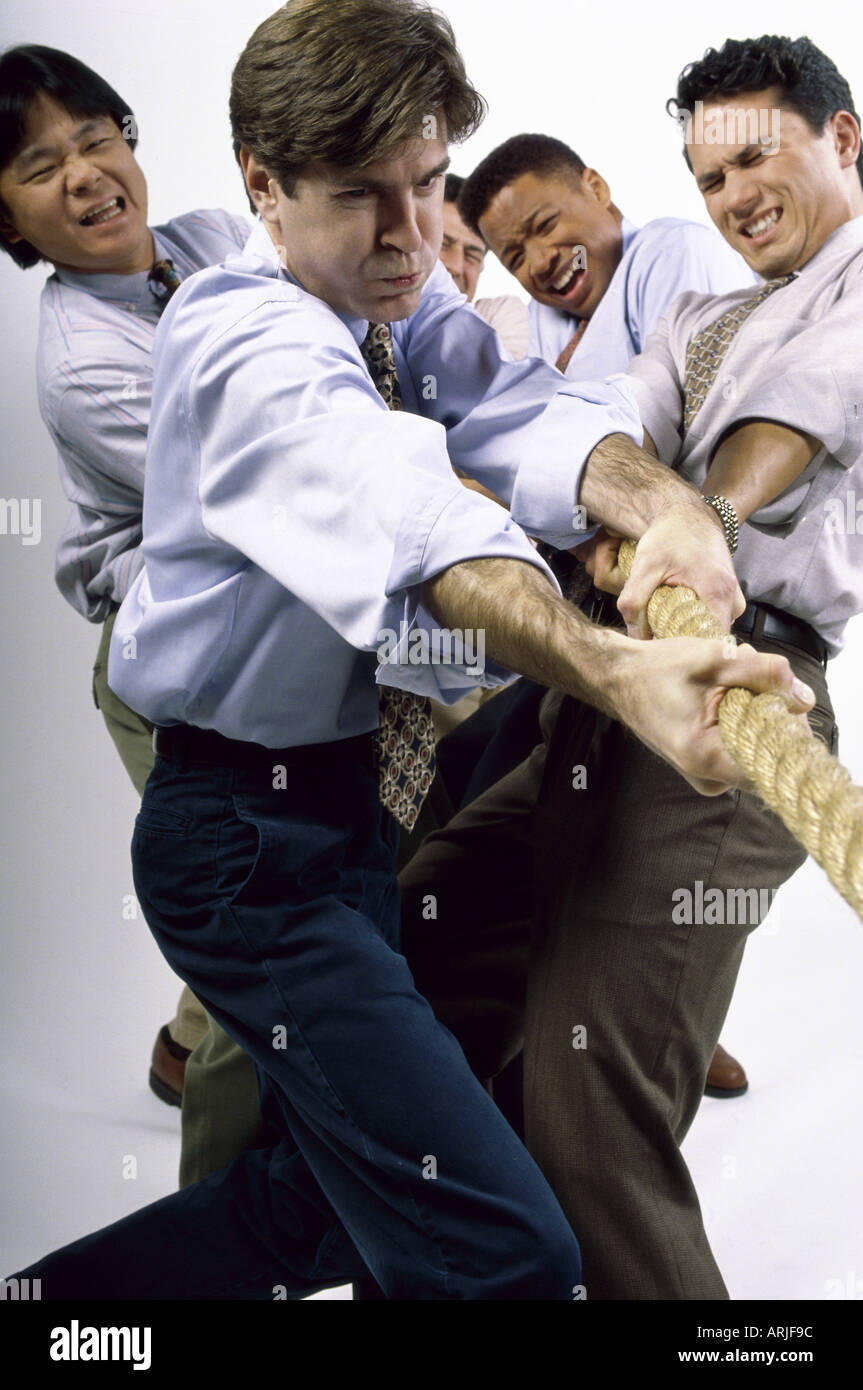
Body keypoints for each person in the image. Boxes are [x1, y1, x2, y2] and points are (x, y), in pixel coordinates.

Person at [6, 0, 810, 1301]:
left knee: (310, 1207)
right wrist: (612, 670)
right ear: (262, 185)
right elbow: (419, 512)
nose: (406, 235)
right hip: (238, 844)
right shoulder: (237, 339)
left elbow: (507, 406)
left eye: (425, 183)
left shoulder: (385, 288)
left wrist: (656, 502)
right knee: (509, 1247)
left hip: (342, 817)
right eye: (357, 195)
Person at [397, 32, 862, 1298]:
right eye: (709, 181)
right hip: (603, 698)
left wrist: (689, 522)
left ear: (842, 136)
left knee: (586, 1106)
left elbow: (798, 418)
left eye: (755, 157)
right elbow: (602, 414)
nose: (734, 198)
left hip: (732, 708)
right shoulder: (704, 312)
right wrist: (623, 484)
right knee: (413, 950)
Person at [452, 130, 755, 1097]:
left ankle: (662, 1016)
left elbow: (636, 424)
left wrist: (567, 468)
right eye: (513, 253)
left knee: (681, 823)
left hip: (694, 587)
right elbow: (543, 445)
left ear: (598, 187)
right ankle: (568, 1011)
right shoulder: (541, 327)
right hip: (595, 602)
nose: (539, 260)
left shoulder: (669, 251)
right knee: (518, 793)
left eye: (546, 224)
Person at [0, 43, 252, 1106]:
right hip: (170, 656)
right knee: (260, 903)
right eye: (39, 165)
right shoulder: (80, 363)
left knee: (281, 875)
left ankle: (184, 1048)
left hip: (259, 615)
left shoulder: (217, 237)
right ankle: (234, 1138)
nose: (84, 173)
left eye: (95, 139)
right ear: (9, 222)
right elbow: (260, 493)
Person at [440, 171, 529, 358]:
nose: (456, 266)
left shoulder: (497, 316)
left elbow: (504, 381)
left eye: (472, 256)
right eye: (442, 244)